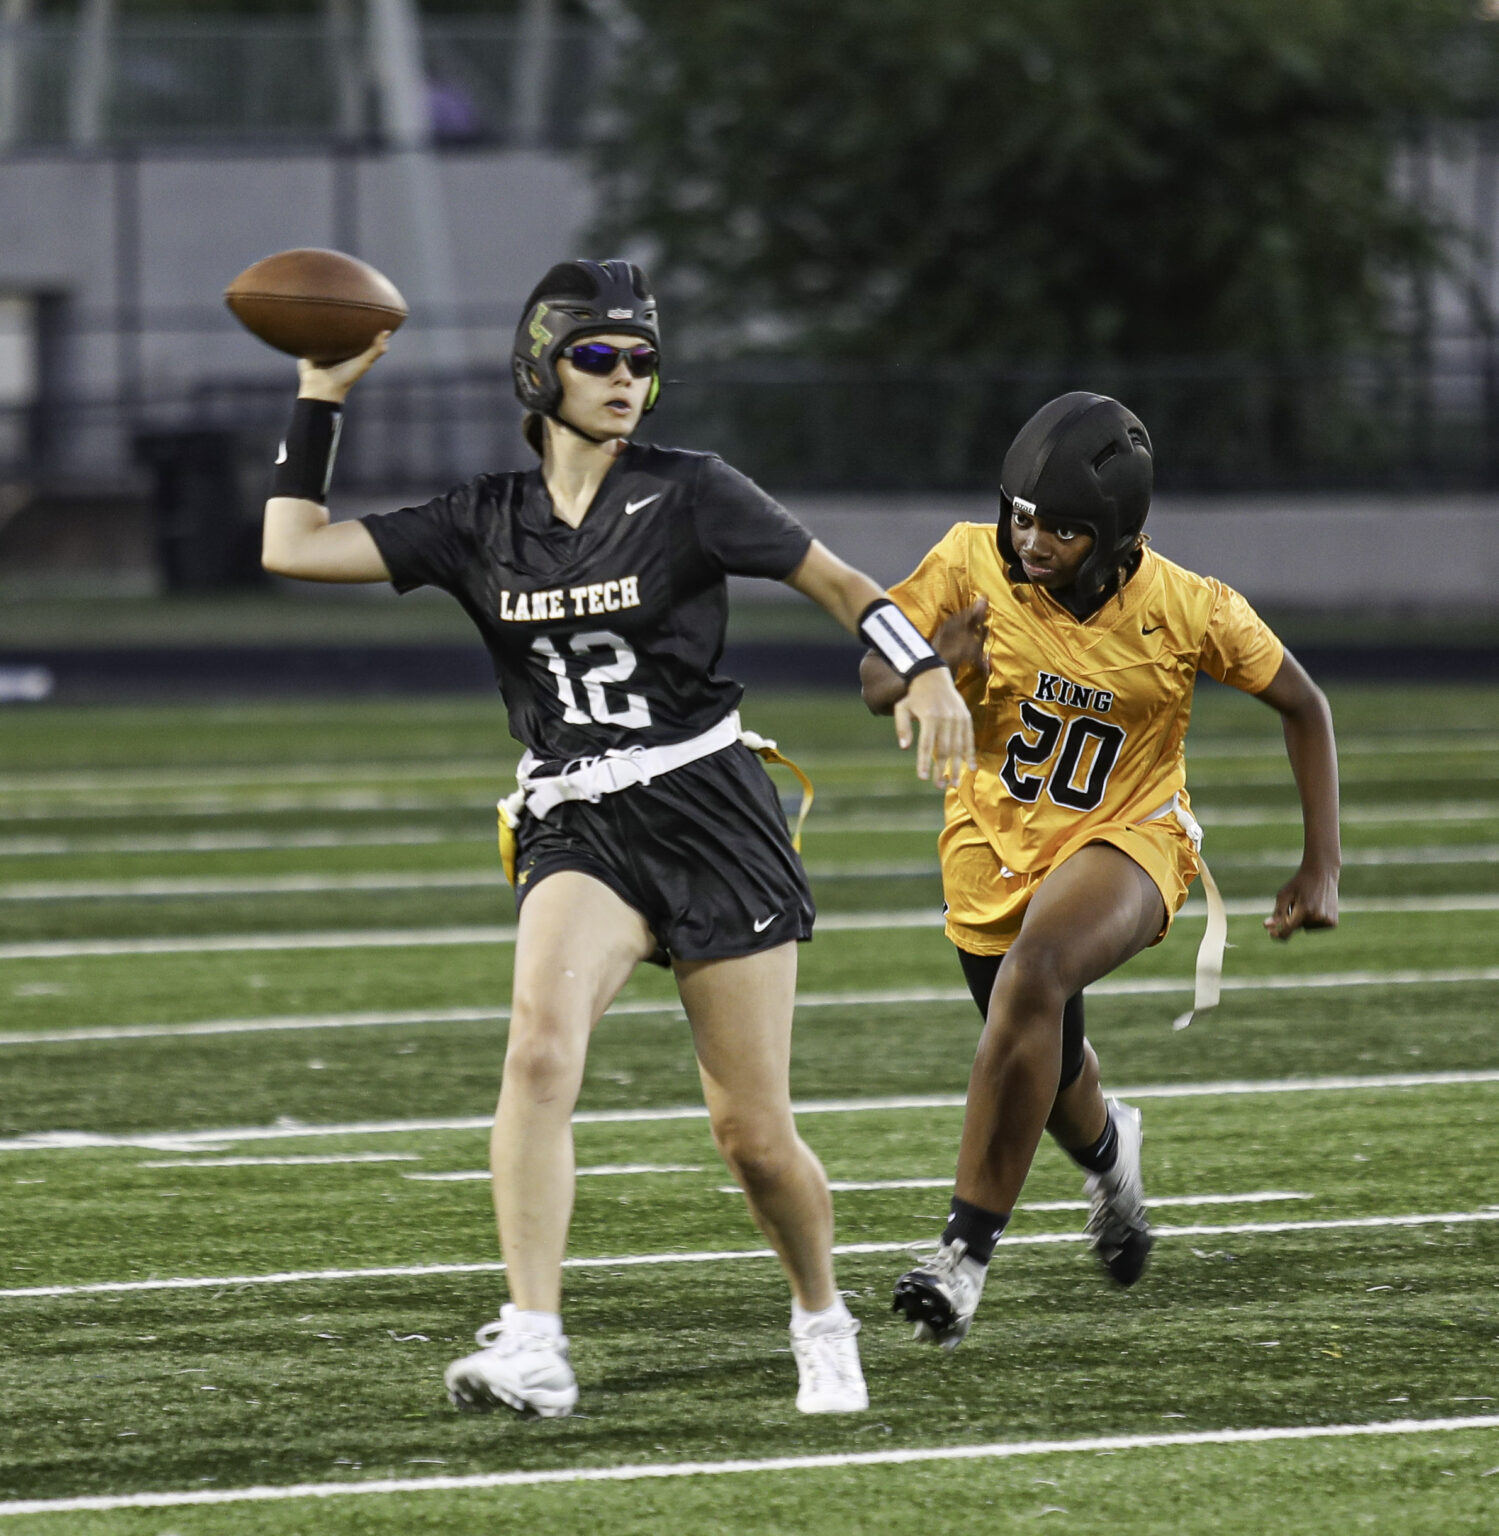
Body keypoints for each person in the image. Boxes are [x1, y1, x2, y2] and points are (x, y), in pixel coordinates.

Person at [259, 258, 975, 1415]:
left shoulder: (692, 492)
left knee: (750, 1136)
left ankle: (817, 1312)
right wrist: (320, 389)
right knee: (538, 1050)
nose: (624, 377)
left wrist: (924, 666)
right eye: (597, 355)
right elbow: (290, 546)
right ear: (539, 368)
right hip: (575, 820)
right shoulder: (479, 521)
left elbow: (842, 585)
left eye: (642, 359)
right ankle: (535, 1339)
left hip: (708, 813)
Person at [860, 392, 1341, 1350]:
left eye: (1063, 530)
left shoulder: (1185, 606)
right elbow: (875, 682)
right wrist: (925, 661)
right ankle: (1112, 1152)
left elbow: (1304, 703)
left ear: (1121, 537)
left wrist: (1320, 860)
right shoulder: (966, 560)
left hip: (1129, 834)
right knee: (1046, 1057)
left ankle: (960, 1261)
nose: (1031, 543)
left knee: (1034, 981)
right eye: (1023, 516)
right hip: (990, 840)